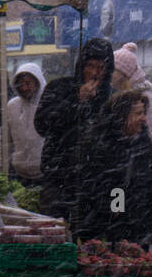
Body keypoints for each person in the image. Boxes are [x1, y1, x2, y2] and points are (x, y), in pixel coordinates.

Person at [35, 37, 115, 232]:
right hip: (58, 180)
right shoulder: (59, 88)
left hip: (96, 186)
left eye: (101, 68)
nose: (95, 73)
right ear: (82, 65)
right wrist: (76, 102)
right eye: (91, 66)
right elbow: (42, 124)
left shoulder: (112, 98)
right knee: (54, 236)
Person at [79, 88, 152, 247]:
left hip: (137, 227)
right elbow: (106, 186)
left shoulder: (143, 143)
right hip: (106, 230)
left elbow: (150, 185)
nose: (143, 119)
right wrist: (119, 218)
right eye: (138, 113)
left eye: (143, 113)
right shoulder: (99, 143)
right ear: (121, 116)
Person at [5, 62, 47, 186]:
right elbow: (5, 140)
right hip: (19, 173)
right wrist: (1, 165)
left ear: (37, 82)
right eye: (21, 84)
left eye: (28, 83)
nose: (24, 88)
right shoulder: (12, 106)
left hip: (44, 173)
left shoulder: (47, 104)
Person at [112, 42, 152, 137]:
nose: (109, 73)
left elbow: (149, 130)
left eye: (113, 70)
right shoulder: (120, 91)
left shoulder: (141, 95)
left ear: (123, 73)